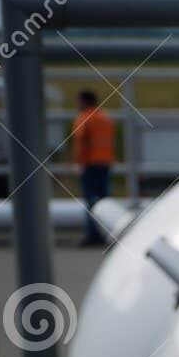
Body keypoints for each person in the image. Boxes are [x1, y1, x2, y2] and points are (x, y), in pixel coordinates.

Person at [70, 89, 115, 246]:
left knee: (91, 202)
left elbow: (82, 143)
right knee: (104, 200)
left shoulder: (84, 118)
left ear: (84, 101)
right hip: (105, 162)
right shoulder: (104, 118)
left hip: (90, 164)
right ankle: (107, 233)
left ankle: (93, 235)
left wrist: (79, 164)